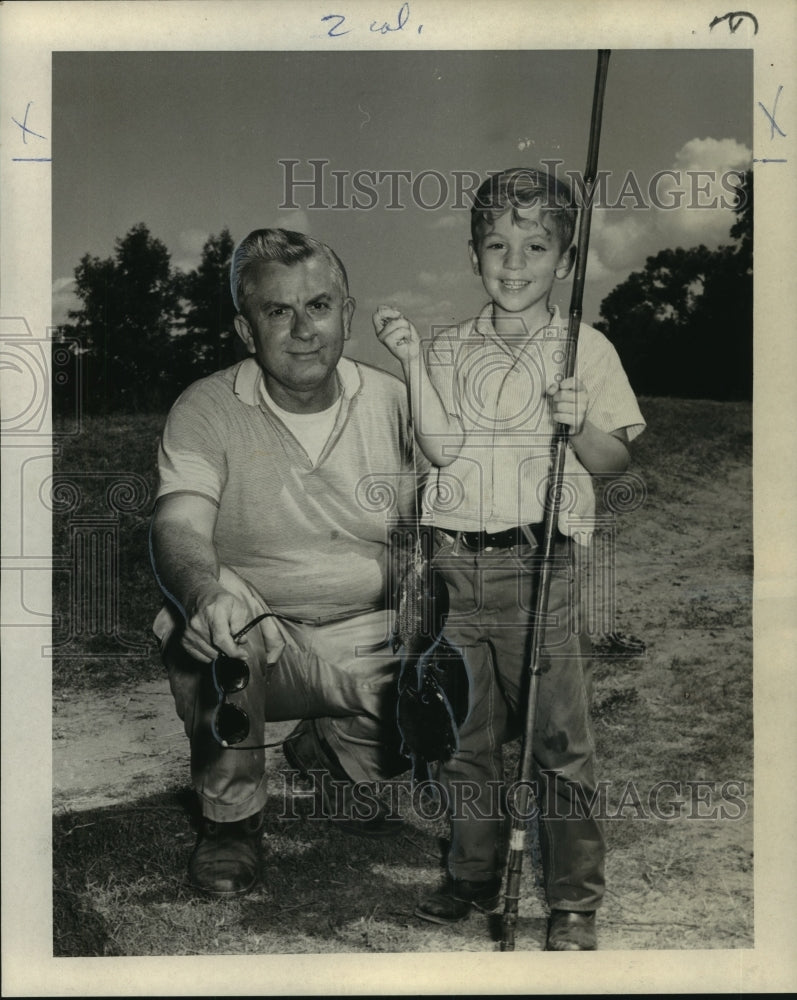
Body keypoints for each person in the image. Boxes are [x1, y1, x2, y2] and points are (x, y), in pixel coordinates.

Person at [374, 167, 646, 950]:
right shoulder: (451, 347)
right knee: (464, 734)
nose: (514, 261)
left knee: (556, 741)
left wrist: (577, 424)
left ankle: (570, 897)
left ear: (564, 261)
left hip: (540, 567)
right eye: (496, 244)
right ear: (472, 257)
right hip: (453, 566)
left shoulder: (585, 348)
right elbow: (441, 445)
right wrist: (408, 361)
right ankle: (471, 872)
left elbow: (613, 461)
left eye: (535, 245)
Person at [150, 227, 423, 898]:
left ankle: (334, 752)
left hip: (369, 631)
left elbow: (437, 536)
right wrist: (203, 592)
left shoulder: (399, 402)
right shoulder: (207, 407)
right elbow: (177, 527)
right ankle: (231, 820)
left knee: (483, 655)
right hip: (261, 635)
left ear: (347, 315)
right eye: (278, 311)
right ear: (247, 330)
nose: (304, 330)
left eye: (319, 306)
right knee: (220, 632)